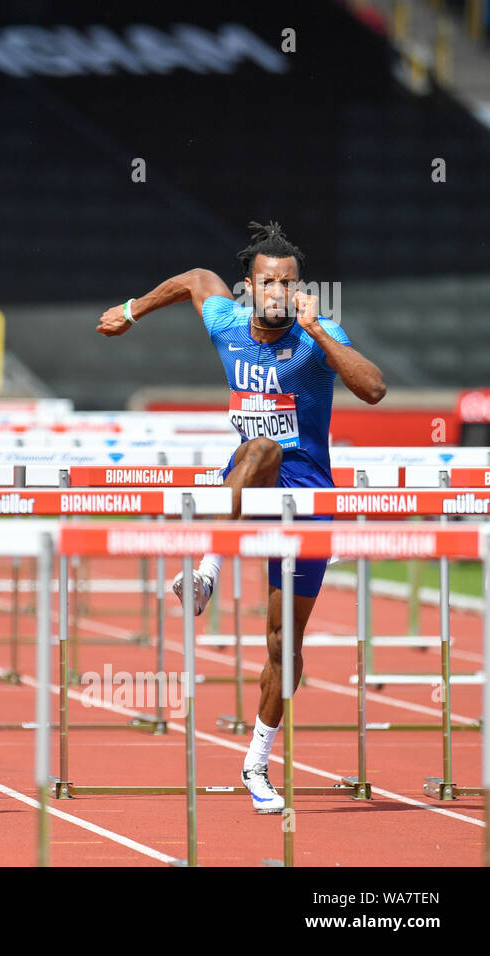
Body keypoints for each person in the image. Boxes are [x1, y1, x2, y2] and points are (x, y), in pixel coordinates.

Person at [96, 221, 386, 812]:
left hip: (308, 496)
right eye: (267, 282)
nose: (277, 292)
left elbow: (374, 388)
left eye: (288, 283)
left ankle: (258, 760)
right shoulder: (228, 323)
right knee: (260, 449)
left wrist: (319, 334)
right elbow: (193, 279)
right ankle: (204, 573)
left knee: (285, 645)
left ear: (300, 288)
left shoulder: (318, 333)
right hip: (252, 478)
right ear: (249, 289)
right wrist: (132, 309)